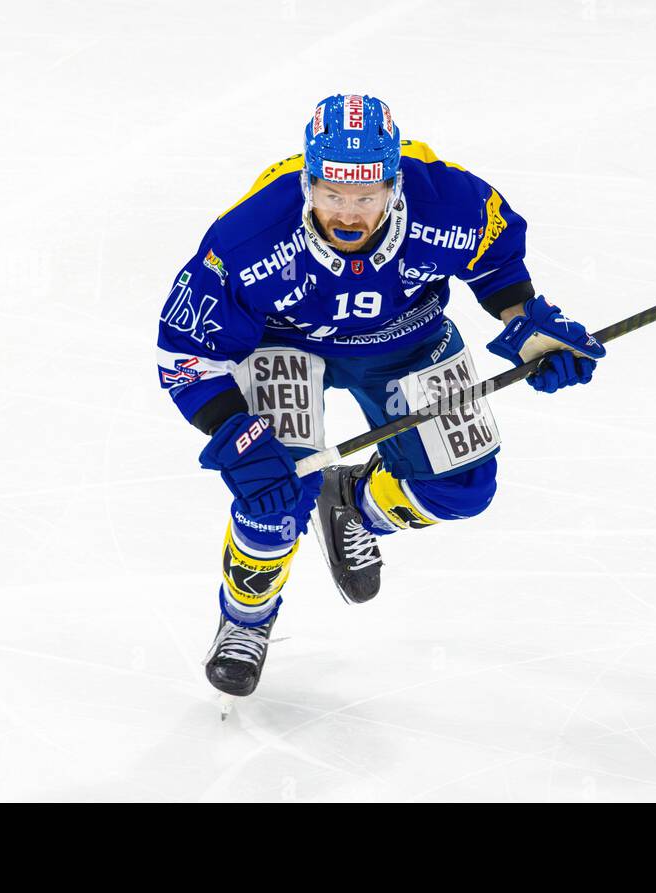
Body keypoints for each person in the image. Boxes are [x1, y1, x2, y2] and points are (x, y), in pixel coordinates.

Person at [156, 94, 605, 698]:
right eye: (333, 194)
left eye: (367, 197)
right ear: (308, 184)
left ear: (395, 185)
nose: (349, 213)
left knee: (460, 490)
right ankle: (246, 622)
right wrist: (236, 432)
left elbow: (496, 265)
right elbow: (188, 353)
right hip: (282, 346)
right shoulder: (249, 238)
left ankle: (354, 503)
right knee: (272, 499)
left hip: (408, 341)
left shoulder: (454, 202)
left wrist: (529, 328)